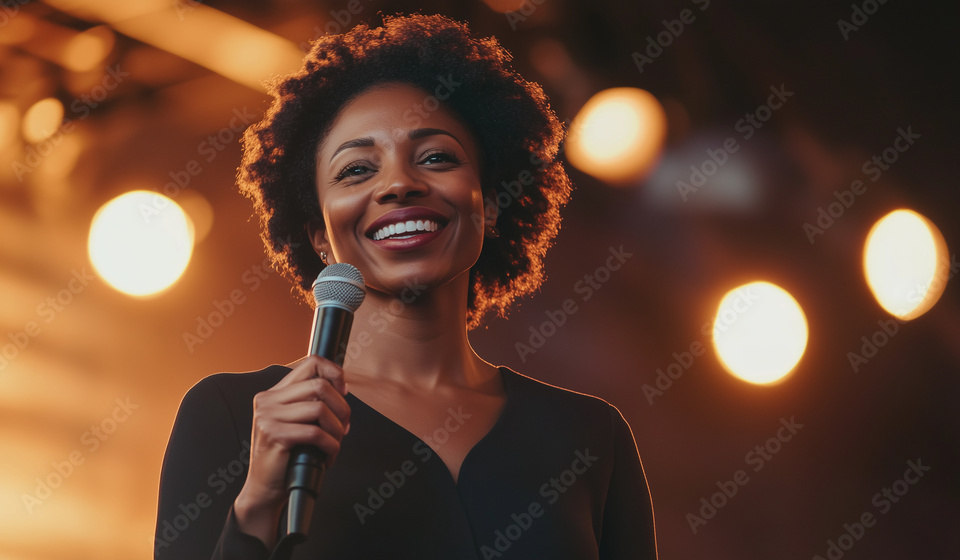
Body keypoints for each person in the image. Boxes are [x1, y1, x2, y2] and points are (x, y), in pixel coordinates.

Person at [154, 13, 657, 560]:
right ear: (319, 235)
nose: (398, 183)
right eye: (355, 171)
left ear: (489, 204)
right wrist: (257, 506)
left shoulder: (590, 436)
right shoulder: (233, 416)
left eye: (436, 157)